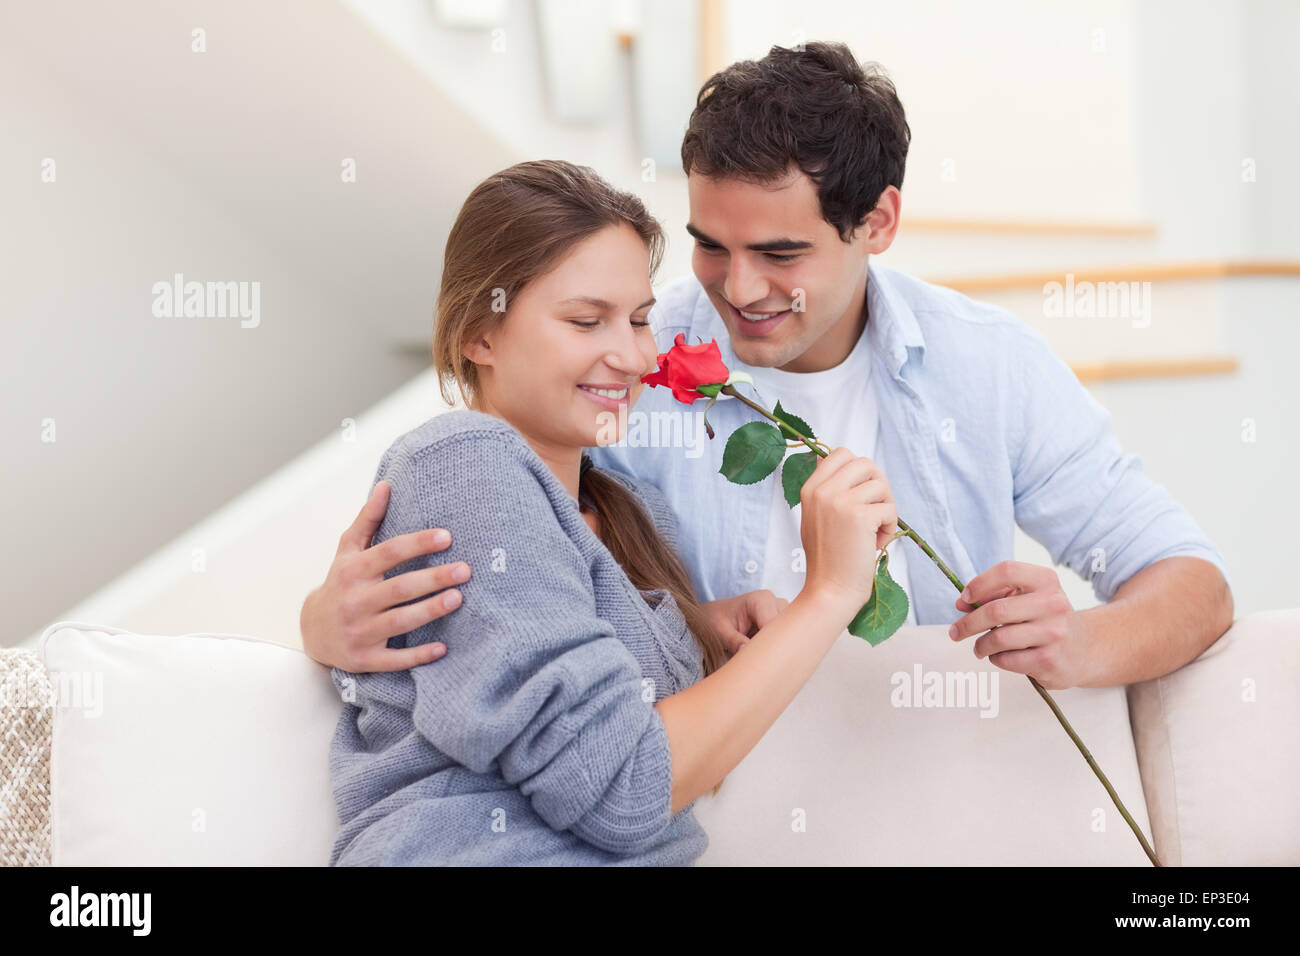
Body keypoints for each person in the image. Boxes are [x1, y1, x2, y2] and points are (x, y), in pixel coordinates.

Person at [305, 41, 1232, 698]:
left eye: (780, 254)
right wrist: (324, 628)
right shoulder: (631, 362)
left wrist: (1083, 641)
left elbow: (1193, 581)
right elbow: (506, 575)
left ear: (877, 223)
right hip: (711, 789)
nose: (734, 288)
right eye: (712, 244)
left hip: (928, 771)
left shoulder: (987, 368)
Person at [327, 159, 899, 865]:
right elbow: (622, 788)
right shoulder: (463, 461)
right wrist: (830, 594)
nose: (631, 357)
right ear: (480, 334)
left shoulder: (630, 511)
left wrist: (697, 631)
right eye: (586, 320)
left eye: (638, 320)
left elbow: (644, 727)